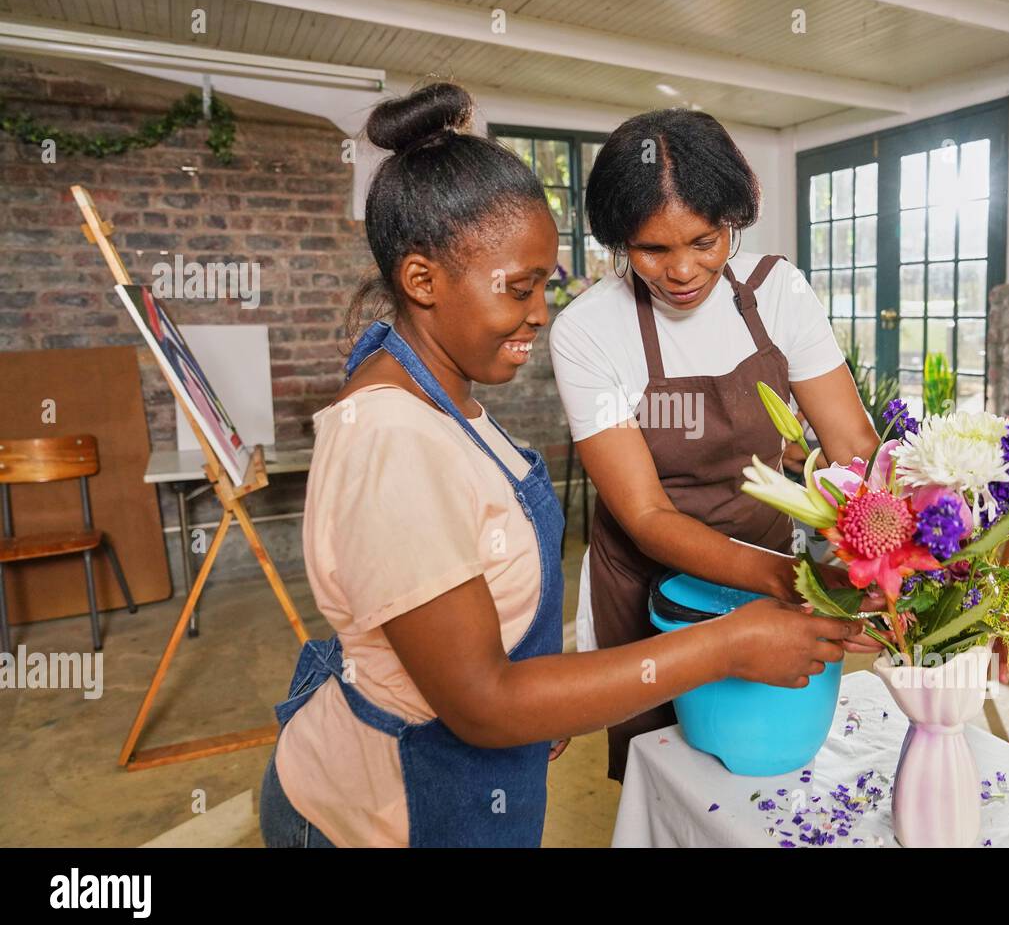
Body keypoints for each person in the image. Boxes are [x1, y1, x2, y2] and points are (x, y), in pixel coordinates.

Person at [258, 82, 856, 848]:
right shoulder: (394, 437)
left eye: (544, 282)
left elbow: (480, 643)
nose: (542, 312)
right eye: (521, 287)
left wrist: (543, 696)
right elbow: (483, 701)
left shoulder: (441, 395)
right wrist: (730, 641)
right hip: (384, 808)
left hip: (470, 780)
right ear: (420, 281)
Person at [550, 108, 881, 782]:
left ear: (733, 218)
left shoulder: (778, 292)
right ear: (618, 242)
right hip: (651, 581)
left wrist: (897, 546)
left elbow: (851, 443)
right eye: (651, 249)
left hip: (764, 549)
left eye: (705, 240)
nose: (681, 271)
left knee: (767, 758)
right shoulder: (588, 330)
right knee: (673, 781)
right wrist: (787, 580)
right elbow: (647, 516)